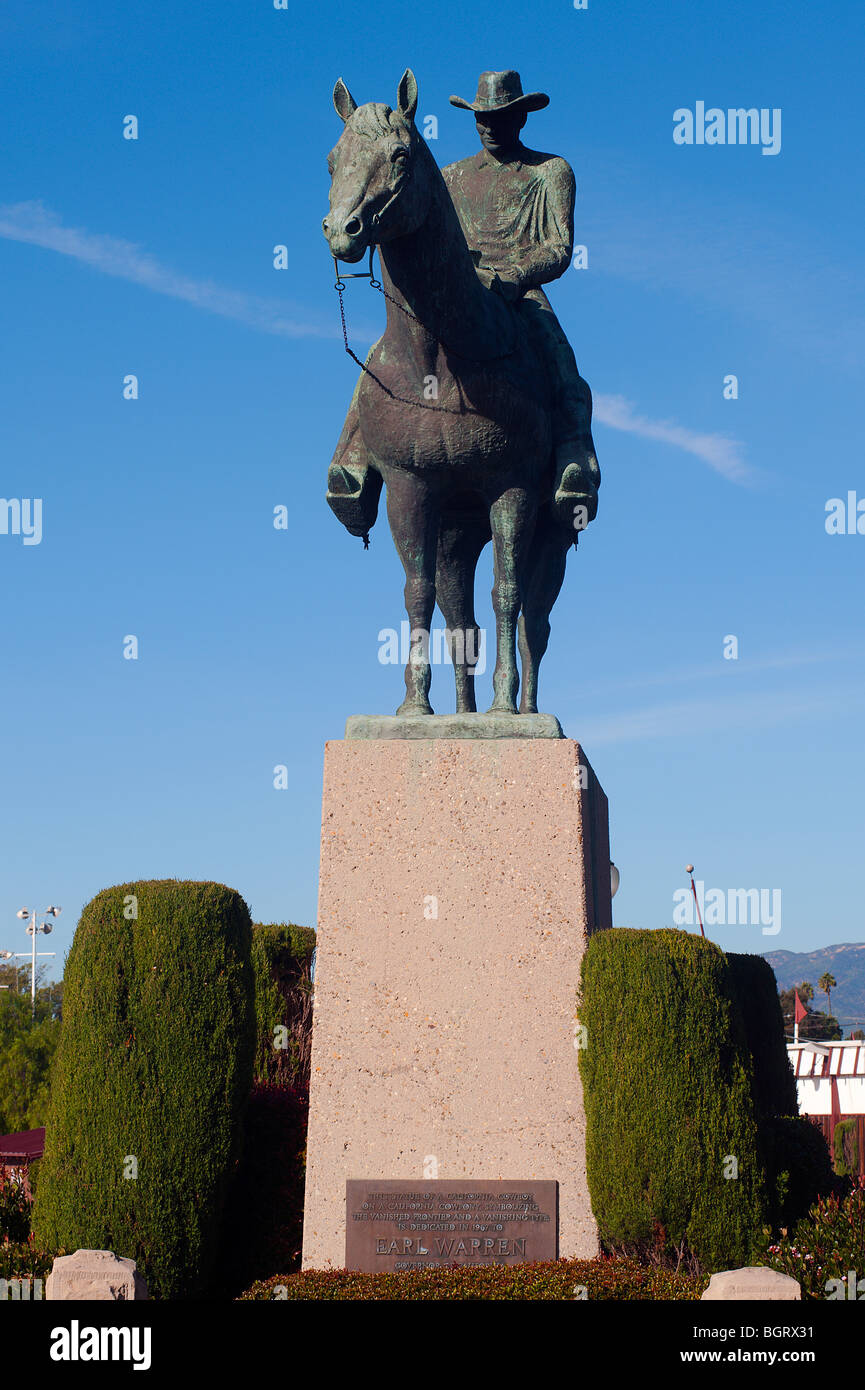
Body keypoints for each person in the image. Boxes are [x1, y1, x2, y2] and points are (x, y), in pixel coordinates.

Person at [326, 69, 599, 540]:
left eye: (501, 115)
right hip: (455, 290)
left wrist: (513, 277)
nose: (490, 124)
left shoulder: (551, 171)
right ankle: (352, 461)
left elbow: (558, 247)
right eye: (482, 116)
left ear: (521, 115)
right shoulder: (450, 175)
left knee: (559, 358)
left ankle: (575, 458)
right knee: (383, 355)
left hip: (519, 292)